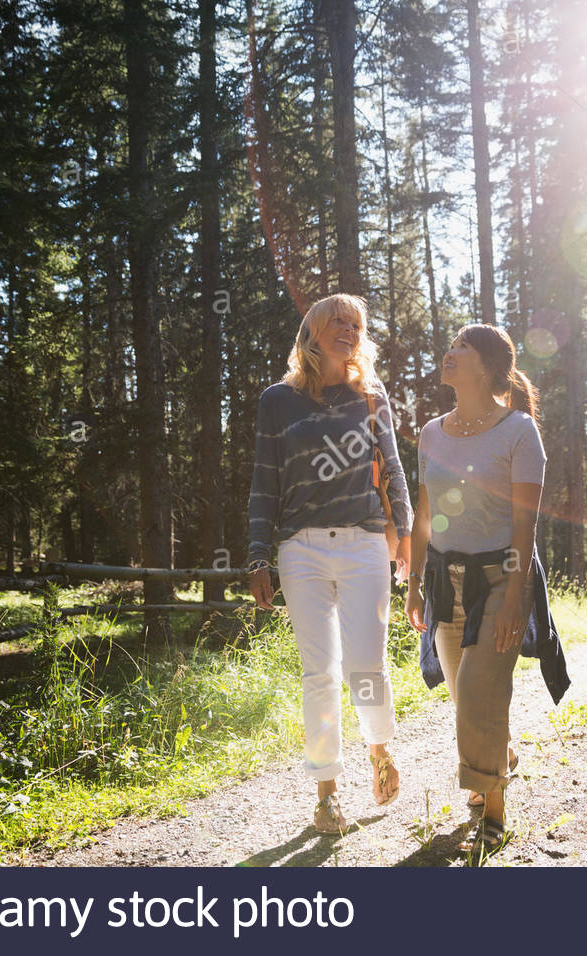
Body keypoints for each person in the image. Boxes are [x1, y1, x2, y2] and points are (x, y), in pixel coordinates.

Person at [246, 293, 413, 835]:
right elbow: (263, 484)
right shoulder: (277, 400)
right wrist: (256, 556)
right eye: (337, 320)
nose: (349, 328)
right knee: (319, 672)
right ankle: (326, 794)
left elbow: (393, 467)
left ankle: (379, 751)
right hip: (302, 549)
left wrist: (405, 532)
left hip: (365, 544)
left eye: (356, 323)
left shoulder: (371, 394)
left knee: (366, 664)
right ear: (312, 332)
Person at [405, 323, 569, 856]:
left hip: (502, 576)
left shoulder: (520, 431)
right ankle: (501, 756)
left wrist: (518, 598)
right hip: (444, 582)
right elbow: (424, 518)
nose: (448, 352)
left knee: (479, 693)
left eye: (461, 347)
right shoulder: (431, 433)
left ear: (487, 366)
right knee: (462, 697)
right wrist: (413, 585)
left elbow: (527, 527)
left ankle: (492, 813)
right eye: (450, 344)